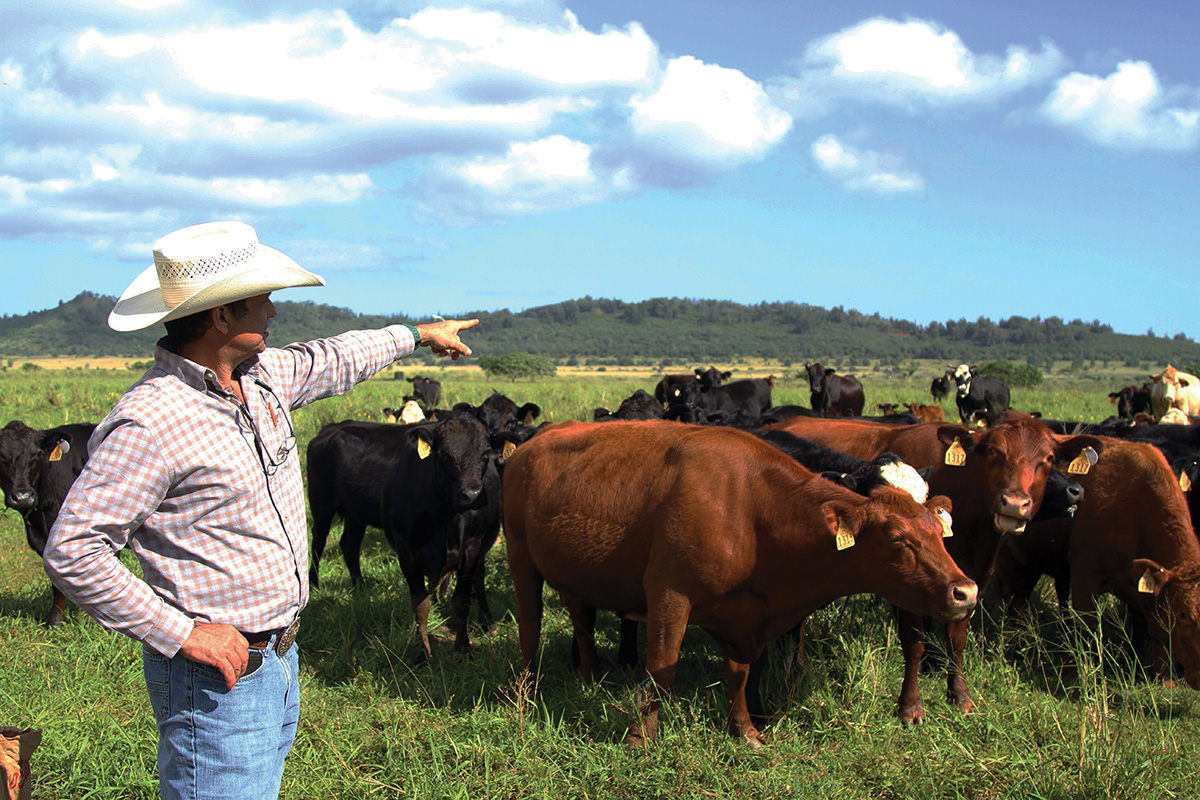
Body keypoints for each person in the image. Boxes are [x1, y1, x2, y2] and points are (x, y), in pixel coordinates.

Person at [43, 220, 477, 800]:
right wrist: (183, 634)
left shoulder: (264, 377)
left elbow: (337, 355)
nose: (273, 310)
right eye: (263, 298)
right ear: (223, 316)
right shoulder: (152, 421)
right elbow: (72, 550)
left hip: (276, 657)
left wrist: (419, 334)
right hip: (214, 677)